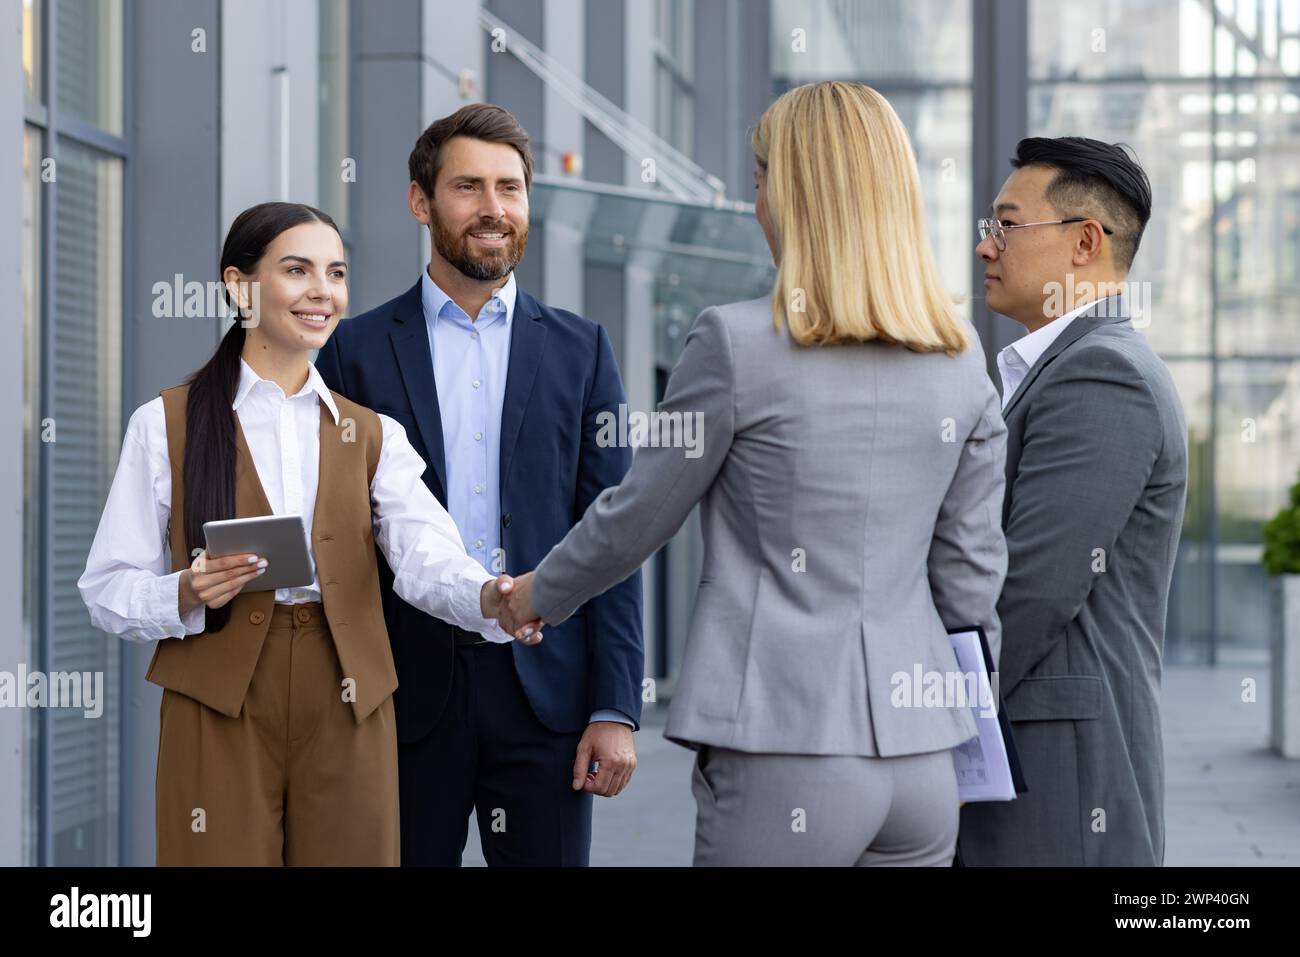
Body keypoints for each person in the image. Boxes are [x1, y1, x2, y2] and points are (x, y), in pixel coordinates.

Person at [498, 80, 1008, 866]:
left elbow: (637, 514)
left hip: (785, 744)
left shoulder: (735, 344)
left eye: (764, 180)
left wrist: (533, 594)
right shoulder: (962, 356)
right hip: (922, 763)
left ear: (801, 197)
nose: (758, 202)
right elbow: (971, 578)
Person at [78, 201, 539, 866]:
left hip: (348, 695)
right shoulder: (165, 423)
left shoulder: (372, 433)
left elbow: (425, 554)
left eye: (336, 272)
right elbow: (106, 587)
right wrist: (185, 589)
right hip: (217, 699)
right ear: (239, 285)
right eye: (297, 270)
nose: (323, 291)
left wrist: (490, 596)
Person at [316, 104, 644, 867]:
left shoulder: (582, 351)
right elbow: (330, 540)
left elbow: (614, 534)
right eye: (469, 187)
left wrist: (615, 705)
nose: (494, 209)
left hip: (547, 699)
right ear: (420, 201)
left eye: (511, 188)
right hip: (398, 697)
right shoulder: (353, 352)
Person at [957, 137, 1187, 865]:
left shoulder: (1100, 375)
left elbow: (1031, 587)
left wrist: (925, 714)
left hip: (1061, 778)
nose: (985, 247)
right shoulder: (1061, 366)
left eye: (1005, 225)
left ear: (1085, 241)